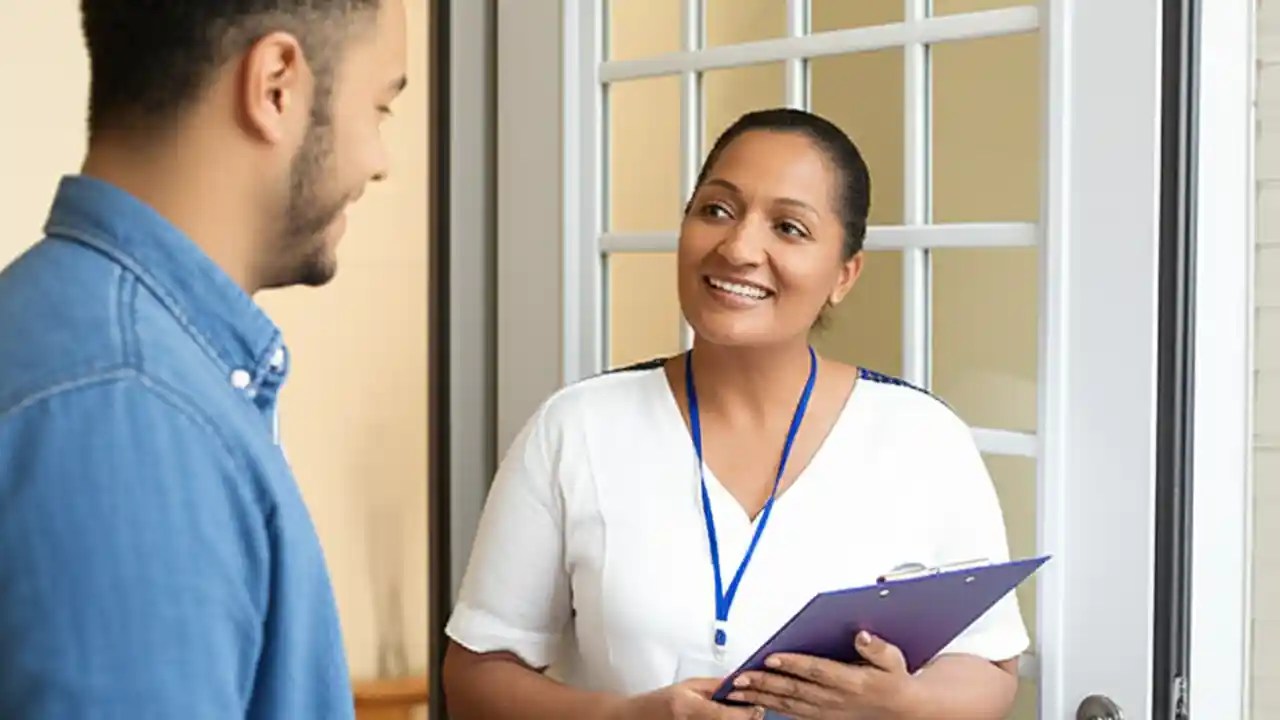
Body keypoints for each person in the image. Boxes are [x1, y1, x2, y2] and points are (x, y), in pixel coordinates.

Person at [442, 107, 1028, 720]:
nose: (739, 247)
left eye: (789, 228)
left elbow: (989, 669)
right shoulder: (577, 428)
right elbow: (476, 677)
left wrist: (902, 703)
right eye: (716, 210)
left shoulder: (922, 438)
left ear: (844, 274)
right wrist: (633, 717)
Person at [0, 1, 406, 717]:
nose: (380, 162)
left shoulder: (88, 346)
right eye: (380, 110)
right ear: (276, 84)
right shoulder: (128, 416)